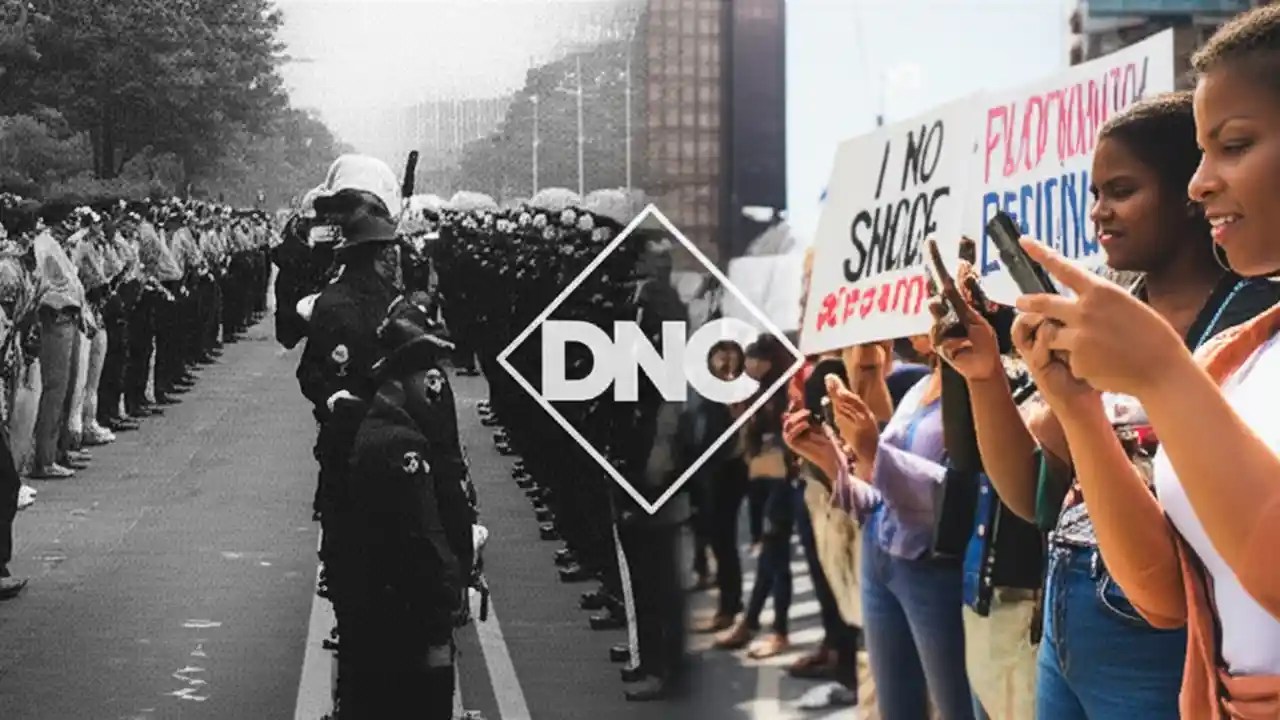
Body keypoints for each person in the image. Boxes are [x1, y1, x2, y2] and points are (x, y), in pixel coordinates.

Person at [939, 89, 1280, 719]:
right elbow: (1031, 494)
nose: (1099, 214)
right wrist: (986, 376)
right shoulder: (1095, 328)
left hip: (1166, 652)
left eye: (1121, 191)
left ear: (1189, 195)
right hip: (1068, 630)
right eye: (1095, 195)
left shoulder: (1256, 328)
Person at [827, 335, 976, 720]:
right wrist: (827, 456)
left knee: (957, 706)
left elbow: (958, 493)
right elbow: (878, 485)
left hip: (933, 568)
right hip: (880, 553)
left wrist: (873, 451)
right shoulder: (921, 384)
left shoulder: (981, 390)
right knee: (896, 707)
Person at [342, 297, 474, 718]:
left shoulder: (389, 426)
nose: (434, 386)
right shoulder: (401, 444)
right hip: (398, 610)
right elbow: (422, 537)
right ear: (401, 380)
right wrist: (446, 599)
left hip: (381, 604)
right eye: (424, 376)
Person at [714, 335, 797, 660]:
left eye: (754, 360)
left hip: (784, 480)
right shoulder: (762, 391)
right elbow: (746, 430)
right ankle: (755, 624)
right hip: (764, 478)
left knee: (775, 557)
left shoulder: (786, 391)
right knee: (770, 557)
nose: (750, 367)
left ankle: (776, 629)